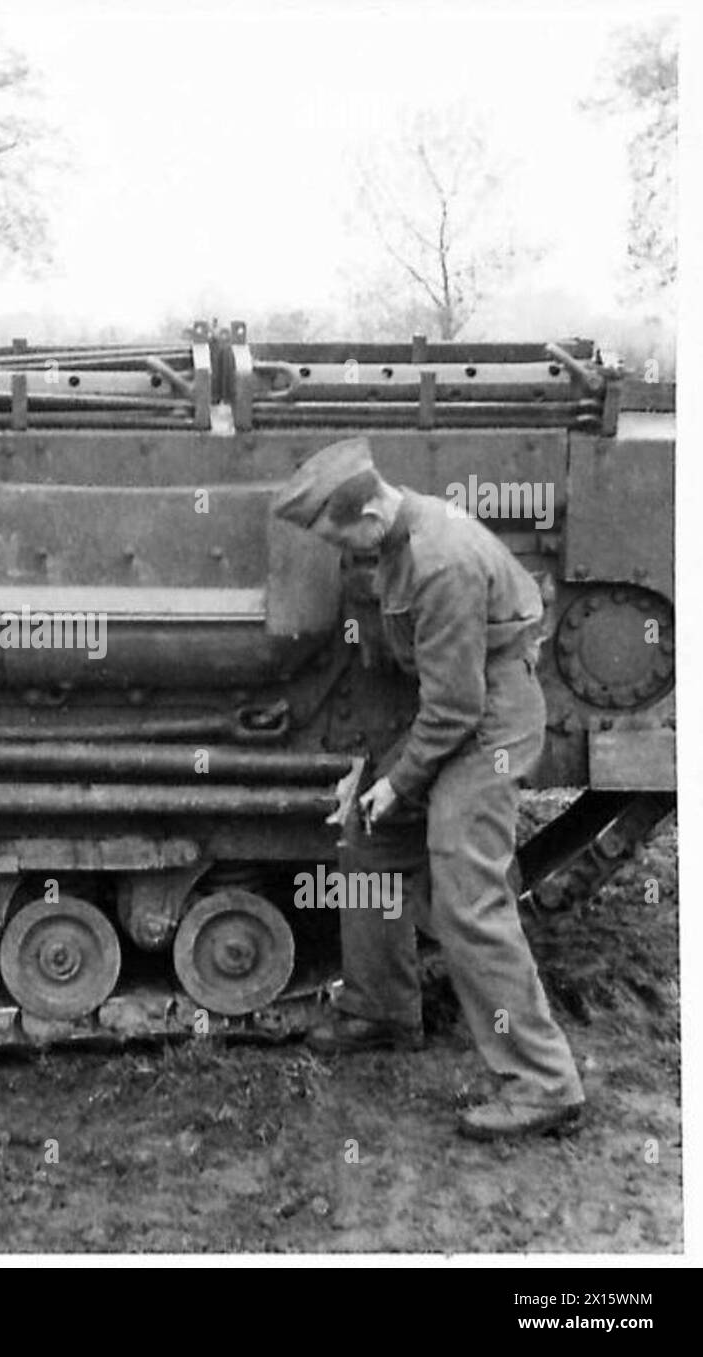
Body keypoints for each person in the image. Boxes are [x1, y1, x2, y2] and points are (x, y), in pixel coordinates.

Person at [273, 437, 584, 1140]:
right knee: (369, 833)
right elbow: (415, 684)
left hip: (488, 727)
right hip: (452, 710)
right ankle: (381, 1010)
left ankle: (544, 1083)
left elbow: (455, 709)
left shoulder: (441, 561)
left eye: (340, 539)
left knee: (466, 892)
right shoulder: (398, 541)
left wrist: (400, 779)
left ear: (371, 512)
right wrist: (373, 772)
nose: (342, 554)